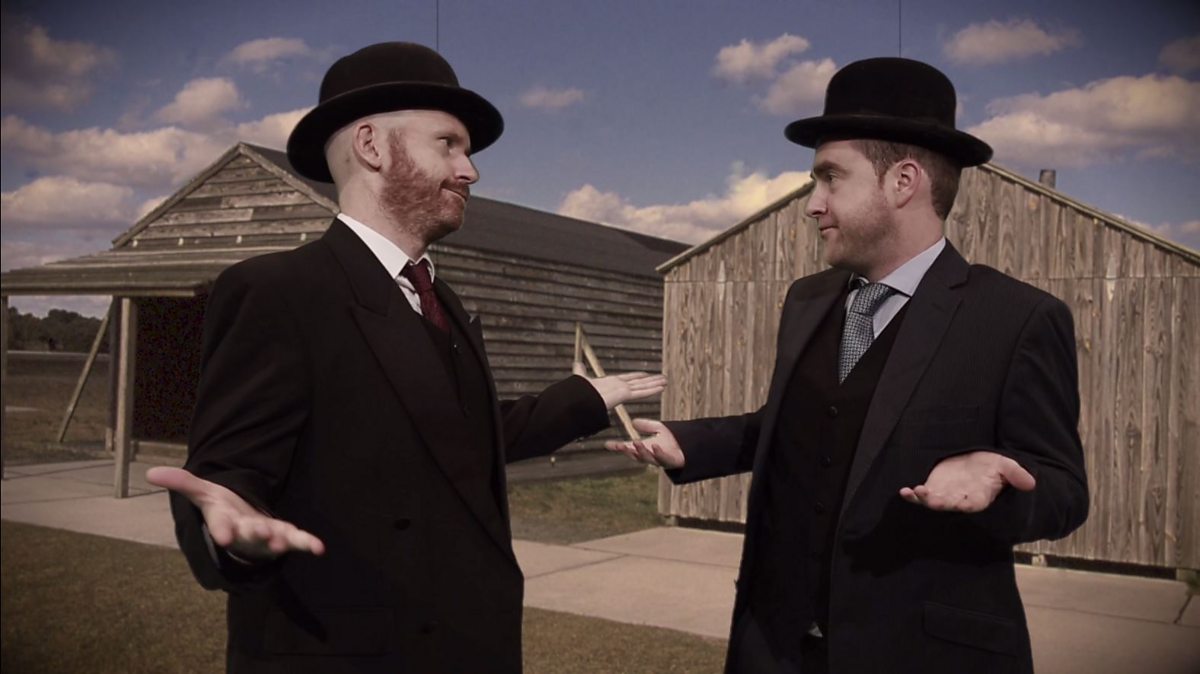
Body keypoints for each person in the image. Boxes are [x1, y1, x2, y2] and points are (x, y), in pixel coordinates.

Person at [147, 42, 664, 673]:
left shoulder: (440, 299)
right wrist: (232, 533)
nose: (470, 171)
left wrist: (584, 399)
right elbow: (227, 475)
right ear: (371, 145)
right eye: (448, 144)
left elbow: (458, 439)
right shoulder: (278, 291)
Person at [608, 57, 1088, 674]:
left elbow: (1065, 492)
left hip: (921, 657)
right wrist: (692, 444)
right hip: (775, 648)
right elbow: (801, 427)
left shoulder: (1017, 319)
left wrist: (997, 480)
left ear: (903, 182)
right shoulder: (807, 301)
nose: (814, 204)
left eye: (830, 179)